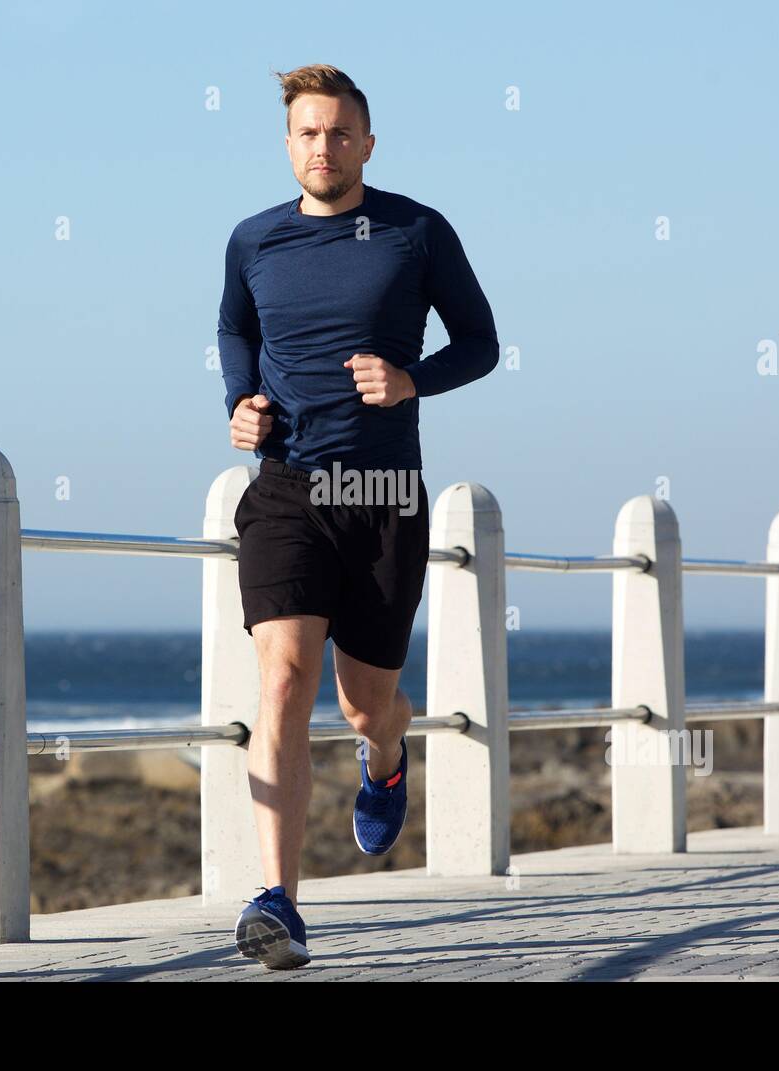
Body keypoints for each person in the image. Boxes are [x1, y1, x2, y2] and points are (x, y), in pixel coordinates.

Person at [218, 63, 498, 970]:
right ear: (287, 142)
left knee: (363, 700)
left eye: (340, 132)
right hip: (287, 489)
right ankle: (279, 903)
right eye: (308, 131)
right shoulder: (254, 241)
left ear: (366, 144)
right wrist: (241, 400)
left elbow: (483, 341)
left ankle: (383, 757)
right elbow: (235, 331)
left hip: (381, 495)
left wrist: (415, 378)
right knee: (285, 678)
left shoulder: (416, 231)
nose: (323, 146)